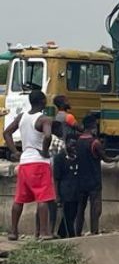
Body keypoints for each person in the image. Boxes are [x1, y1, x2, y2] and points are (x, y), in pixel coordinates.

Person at [4, 88, 55, 240]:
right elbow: (47, 136)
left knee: (19, 199)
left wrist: (14, 152)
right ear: (43, 102)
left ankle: (13, 232)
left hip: (24, 162)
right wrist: (45, 151)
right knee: (43, 198)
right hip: (39, 162)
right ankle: (44, 232)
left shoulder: (22, 117)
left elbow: (6, 133)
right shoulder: (44, 119)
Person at [74, 114, 119, 236]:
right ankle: (94, 230)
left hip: (80, 179)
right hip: (93, 180)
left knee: (80, 207)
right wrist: (116, 159)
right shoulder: (95, 143)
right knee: (95, 207)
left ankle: (77, 232)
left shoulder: (78, 141)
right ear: (93, 127)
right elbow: (105, 159)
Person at [52, 134, 81, 238]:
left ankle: (61, 233)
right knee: (67, 215)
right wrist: (57, 195)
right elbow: (56, 178)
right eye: (71, 145)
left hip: (76, 191)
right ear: (66, 144)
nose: (73, 148)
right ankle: (71, 235)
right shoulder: (59, 158)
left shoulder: (78, 157)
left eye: (75, 146)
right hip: (65, 191)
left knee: (73, 214)